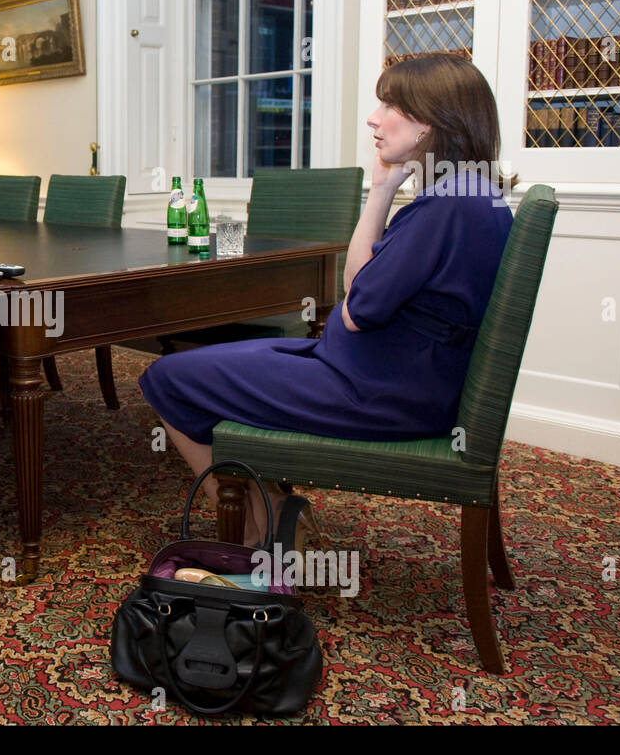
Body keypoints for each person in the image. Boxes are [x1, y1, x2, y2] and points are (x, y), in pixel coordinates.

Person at [139, 53, 515, 547]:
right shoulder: (468, 195)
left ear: (430, 122)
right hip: (384, 375)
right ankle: (269, 503)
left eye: (389, 105)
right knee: (212, 366)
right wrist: (379, 191)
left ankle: (268, 517)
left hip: (374, 391)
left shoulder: (446, 207)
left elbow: (356, 310)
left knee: (165, 378)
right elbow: (359, 286)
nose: (373, 119)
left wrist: (354, 304)